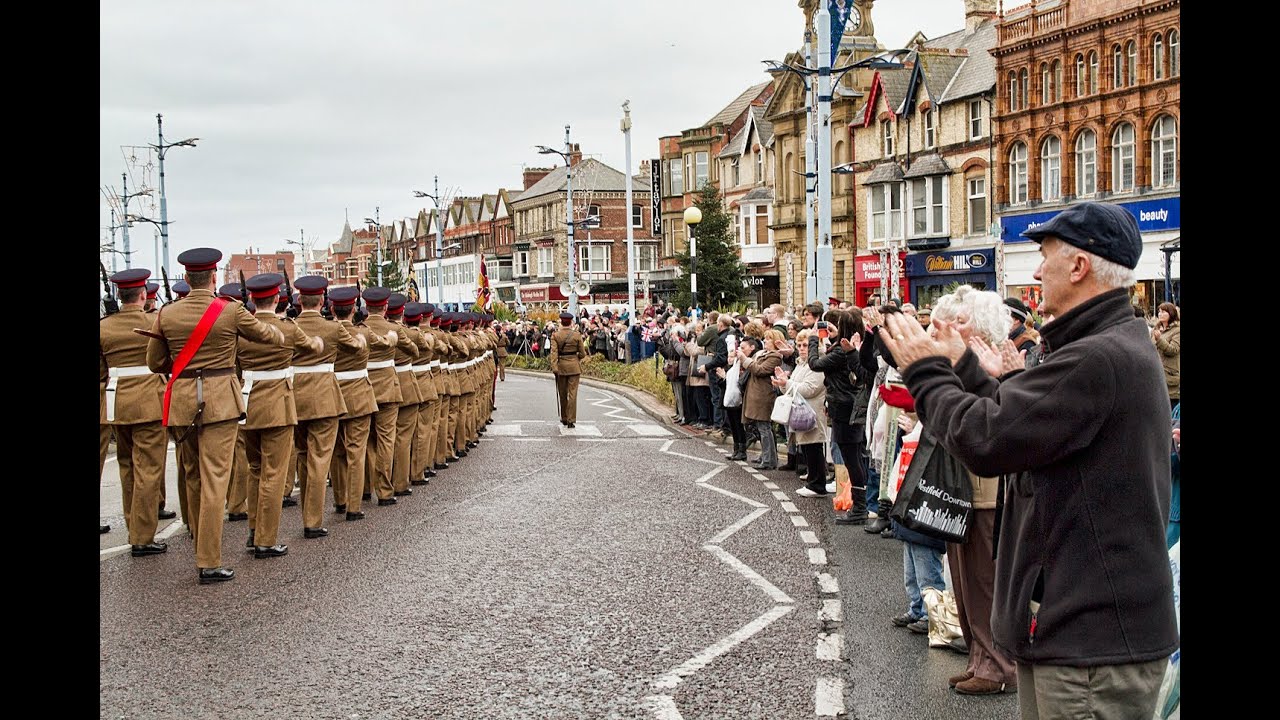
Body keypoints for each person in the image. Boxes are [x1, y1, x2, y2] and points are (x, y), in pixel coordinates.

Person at [881, 201, 1178, 716]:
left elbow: (989, 438)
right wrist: (970, 370)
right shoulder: (1106, 344)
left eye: (1046, 256)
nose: (1038, 270)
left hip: (1091, 644)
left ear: (1080, 266)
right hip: (1080, 633)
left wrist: (926, 370)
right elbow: (1029, 419)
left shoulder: (1096, 356)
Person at [146, 248, 289, 584]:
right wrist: (280, 333)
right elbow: (264, 334)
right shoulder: (230, 311)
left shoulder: (167, 314)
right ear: (213, 278)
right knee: (215, 480)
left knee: (193, 474)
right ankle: (208, 559)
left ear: (185, 278)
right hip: (219, 402)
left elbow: (155, 362)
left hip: (182, 401)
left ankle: (200, 542)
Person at [237, 272, 318, 557]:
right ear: (275, 299)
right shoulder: (289, 328)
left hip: (247, 403)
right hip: (278, 405)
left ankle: (253, 529)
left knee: (255, 469)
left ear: (252, 299)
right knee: (274, 472)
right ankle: (266, 540)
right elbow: (313, 346)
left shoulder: (241, 329)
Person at [101, 268, 169, 557]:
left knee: (128, 466)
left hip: (117, 402)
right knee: (149, 469)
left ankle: (133, 526)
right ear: (143, 295)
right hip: (150, 401)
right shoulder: (155, 322)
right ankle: (142, 536)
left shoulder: (104, 326)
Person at [291, 275, 365, 538]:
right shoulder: (334, 328)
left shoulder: (290, 327)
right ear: (322, 301)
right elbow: (356, 348)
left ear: (299, 300)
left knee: (302, 455)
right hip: (324, 397)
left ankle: (306, 516)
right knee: (320, 458)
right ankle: (313, 520)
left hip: (295, 398)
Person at [774, 329, 827, 495]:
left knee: (814, 448)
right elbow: (792, 388)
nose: (802, 348)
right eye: (799, 345)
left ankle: (817, 484)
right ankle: (813, 481)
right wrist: (783, 383)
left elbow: (810, 389)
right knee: (807, 448)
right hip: (800, 411)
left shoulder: (817, 363)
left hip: (812, 412)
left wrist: (787, 383)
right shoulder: (800, 363)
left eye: (805, 345)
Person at [739, 332, 783, 470]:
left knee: (764, 428)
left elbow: (760, 370)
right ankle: (766, 456)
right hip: (756, 394)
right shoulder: (764, 354)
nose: (765, 340)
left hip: (763, 395)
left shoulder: (775, 356)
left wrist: (745, 359)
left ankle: (769, 460)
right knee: (761, 427)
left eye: (769, 338)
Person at [549, 311, 587, 427]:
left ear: (561, 322)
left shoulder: (555, 335)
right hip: (574, 367)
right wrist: (576, 358)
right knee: (572, 394)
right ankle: (571, 419)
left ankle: (564, 417)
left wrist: (554, 367)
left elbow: (553, 353)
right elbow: (582, 353)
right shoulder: (576, 335)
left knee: (562, 393)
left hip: (561, 367)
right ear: (571, 322)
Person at [1151, 302, 1180, 410]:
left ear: (1171, 314)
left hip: (1169, 380)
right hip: (1155, 377)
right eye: (1159, 311)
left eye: (1163, 312)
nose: (1160, 314)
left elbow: (1173, 350)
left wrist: (1159, 340)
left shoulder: (1177, 330)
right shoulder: (1156, 330)